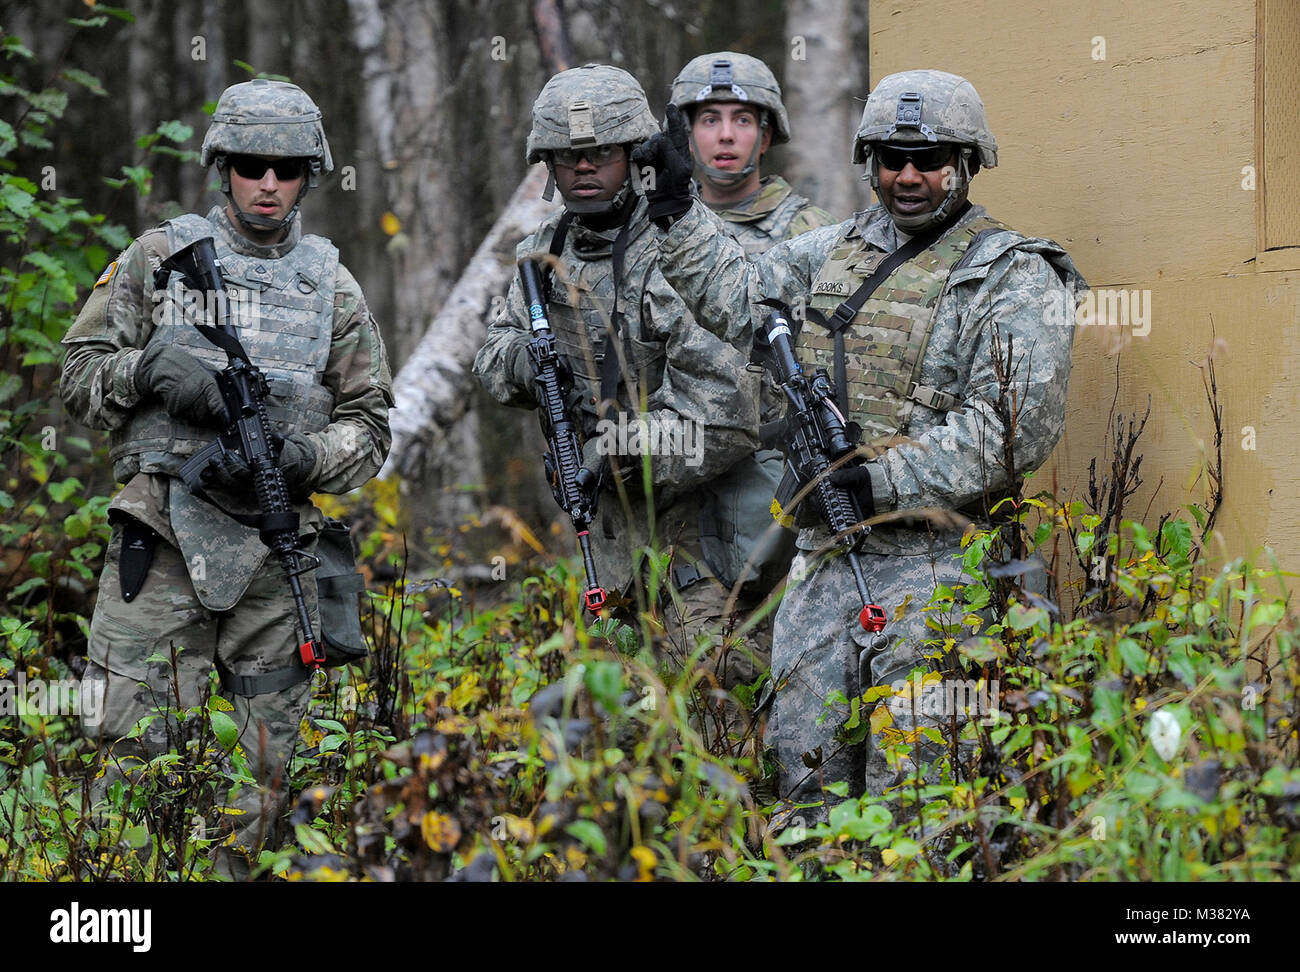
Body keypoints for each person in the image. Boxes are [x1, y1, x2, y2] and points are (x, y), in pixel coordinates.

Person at [633, 69, 1087, 805]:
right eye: (889, 158)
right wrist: (676, 211)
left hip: (941, 570)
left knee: (919, 799)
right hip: (822, 567)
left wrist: (874, 479)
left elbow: (1011, 430)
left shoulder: (1013, 274)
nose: (908, 176)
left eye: (929, 159)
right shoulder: (831, 251)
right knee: (806, 788)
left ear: (967, 163)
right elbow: (738, 298)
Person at [60, 79, 394, 878]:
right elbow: (78, 375)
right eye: (251, 166)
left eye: (286, 168)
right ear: (223, 168)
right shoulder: (159, 260)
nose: (268, 185)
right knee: (130, 766)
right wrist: (148, 370)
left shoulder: (332, 287)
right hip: (161, 544)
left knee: (261, 783)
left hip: (277, 559)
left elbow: (372, 426)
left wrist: (305, 458)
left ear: (311, 173)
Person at [472, 64, 759, 749]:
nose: (584, 169)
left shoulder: (683, 251)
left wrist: (626, 448)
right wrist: (530, 363)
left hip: (699, 550)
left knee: (718, 744)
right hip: (603, 550)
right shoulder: (541, 254)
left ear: (633, 155)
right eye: (568, 157)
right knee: (619, 756)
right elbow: (493, 357)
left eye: (600, 153)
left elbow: (735, 411)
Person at [666, 51, 836, 738]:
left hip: (771, 488)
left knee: (769, 671)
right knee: (673, 677)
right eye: (710, 119)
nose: (726, 135)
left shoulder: (812, 232)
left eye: (743, 119)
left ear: (767, 134)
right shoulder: (657, 227)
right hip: (672, 488)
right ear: (687, 133)